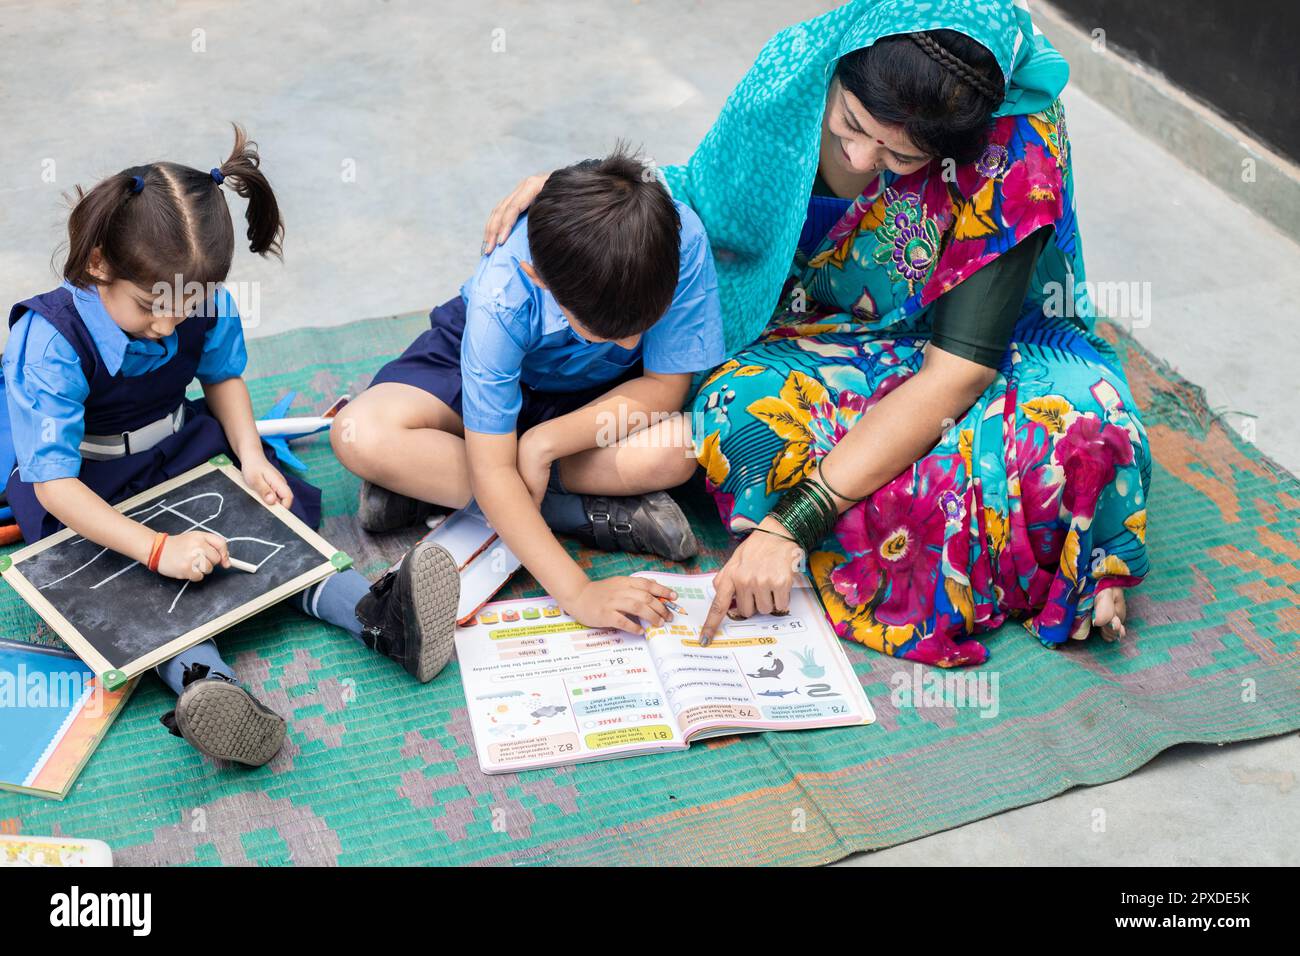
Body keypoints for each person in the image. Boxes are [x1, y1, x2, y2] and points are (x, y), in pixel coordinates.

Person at [481, 0, 1150, 666]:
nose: (860, 158)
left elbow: (959, 371)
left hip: (979, 356)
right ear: (843, 64)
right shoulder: (798, 67)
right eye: (853, 124)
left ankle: (518, 480)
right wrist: (590, 189)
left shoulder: (1016, 136)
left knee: (1093, 432)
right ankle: (504, 477)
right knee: (741, 420)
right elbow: (710, 197)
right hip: (805, 329)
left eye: (904, 155)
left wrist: (793, 523)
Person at [1, 125, 459, 767]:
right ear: (99, 262)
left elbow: (222, 377)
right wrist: (157, 549)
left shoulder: (200, 299)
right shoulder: (49, 340)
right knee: (128, 583)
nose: (166, 325)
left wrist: (248, 457)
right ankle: (206, 686)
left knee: (262, 520)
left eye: (183, 307)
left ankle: (379, 616)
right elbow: (55, 485)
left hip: (176, 442)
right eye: (146, 306)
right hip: (85, 481)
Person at [333, 146, 727, 633]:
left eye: (641, 327)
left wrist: (544, 443)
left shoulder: (678, 238)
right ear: (538, 279)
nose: (631, 341)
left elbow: (664, 385)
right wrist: (579, 592)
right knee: (360, 432)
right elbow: (493, 468)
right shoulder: (502, 295)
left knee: (684, 447)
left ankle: (432, 492)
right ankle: (571, 510)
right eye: (605, 331)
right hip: (495, 373)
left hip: (596, 398)